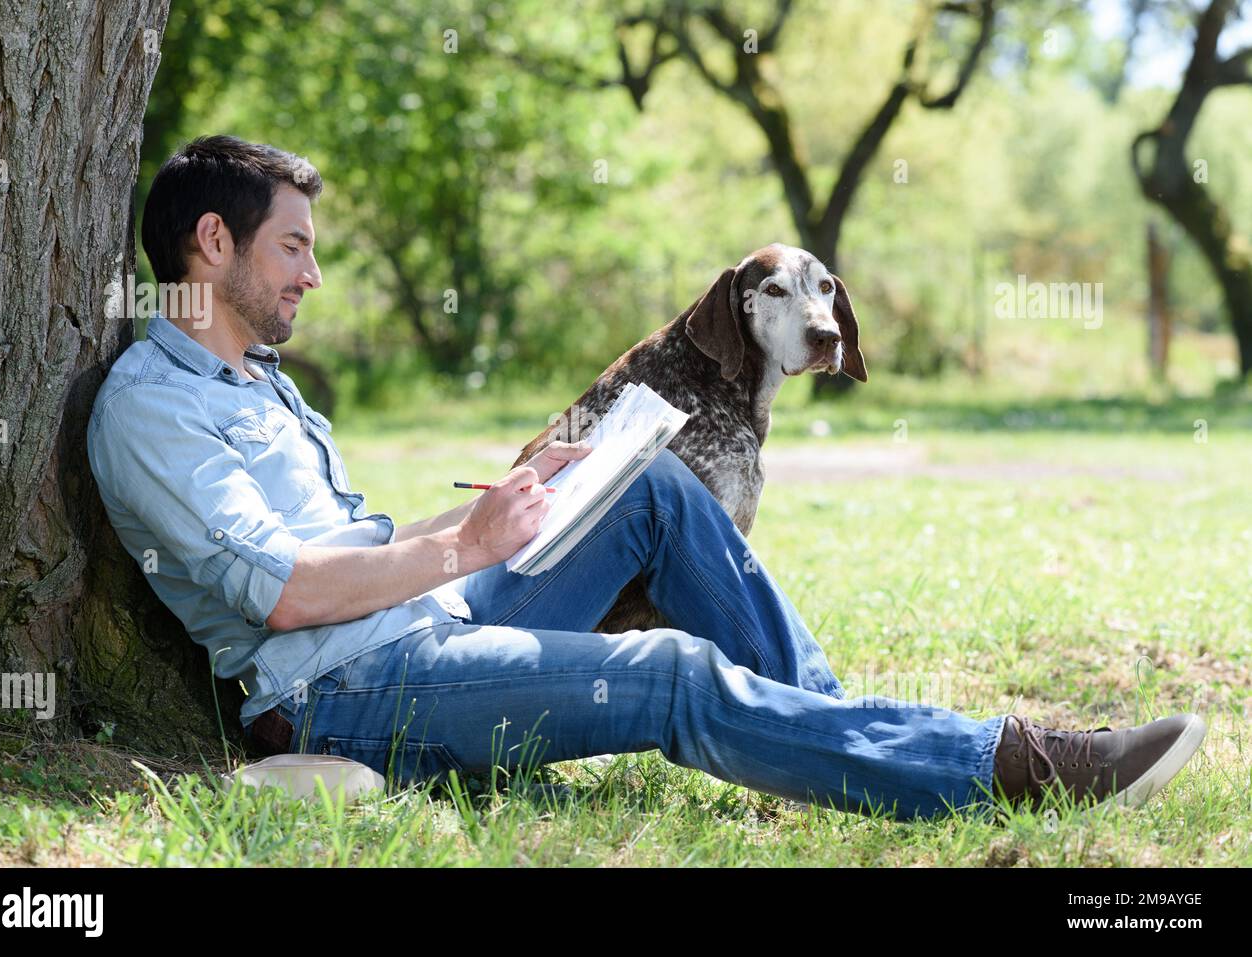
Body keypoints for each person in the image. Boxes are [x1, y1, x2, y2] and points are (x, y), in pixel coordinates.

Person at [86, 134, 1206, 823]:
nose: (314, 274)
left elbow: (350, 549)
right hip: (342, 696)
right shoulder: (153, 406)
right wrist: (459, 552)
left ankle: (849, 733)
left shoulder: (265, 388)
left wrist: (508, 506)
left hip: (419, 621)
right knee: (671, 675)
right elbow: (280, 592)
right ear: (212, 245)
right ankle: (1015, 766)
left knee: (651, 487)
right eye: (293, 248)